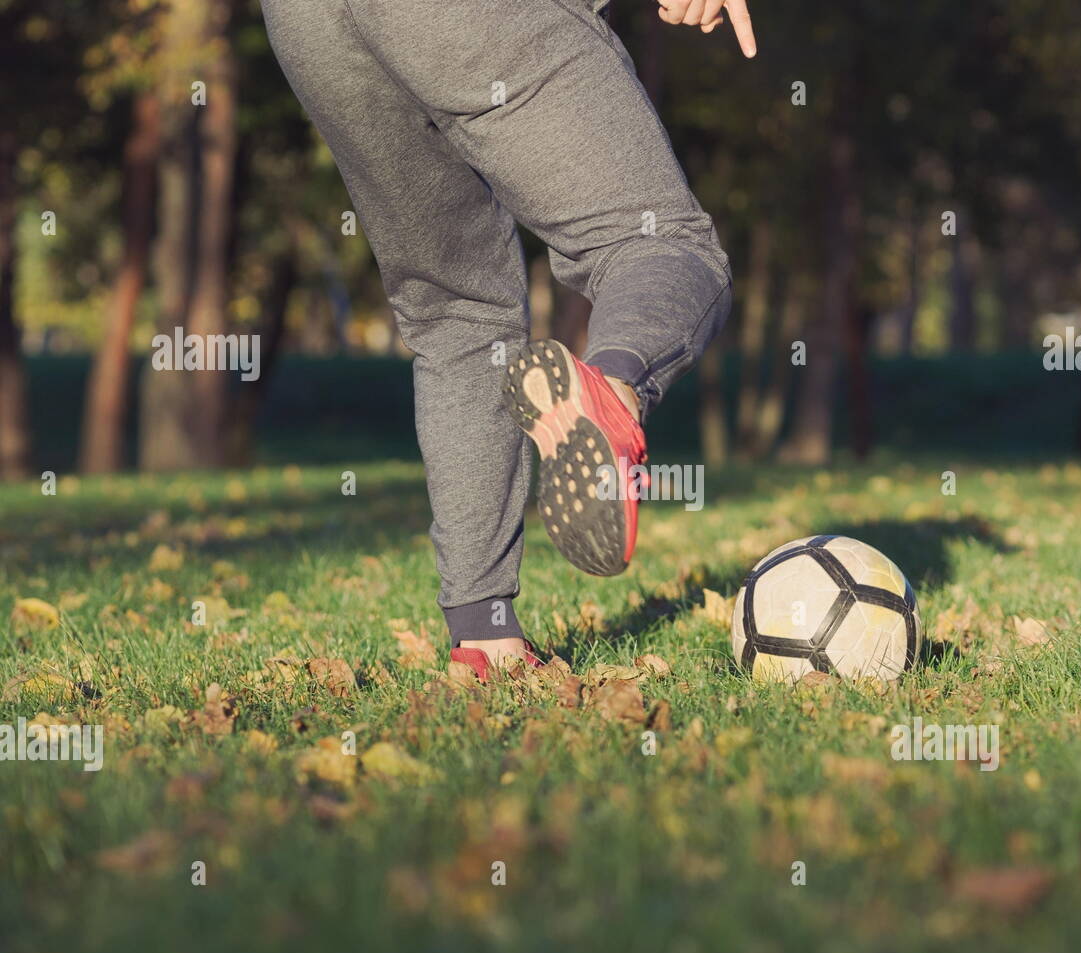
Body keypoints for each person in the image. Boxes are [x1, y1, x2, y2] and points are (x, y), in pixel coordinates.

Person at [260, 0, 755, 677]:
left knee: (457, 315)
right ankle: (610, 390)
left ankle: (485, 636)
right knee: (661, 243)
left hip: (310, 24)